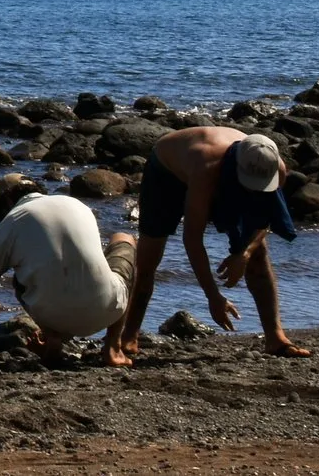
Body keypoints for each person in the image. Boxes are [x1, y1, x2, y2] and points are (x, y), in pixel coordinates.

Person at [109, 127, 308, 365]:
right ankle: (128, 336)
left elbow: (264, 221)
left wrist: (243, 254)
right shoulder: (207, 168)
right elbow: (192, 239)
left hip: (221, 173)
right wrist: (213, 297)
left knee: (258, 253)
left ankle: (276, 338)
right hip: (166, 172)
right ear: (236, 167)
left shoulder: (274, 169)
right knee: (149, 257)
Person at [0, 173, 135, 357]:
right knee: (123, 237)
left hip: (55, 317)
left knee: (20, 283)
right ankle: (113, 347)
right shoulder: (76, 204)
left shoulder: (10, 223)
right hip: (108, 311)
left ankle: (53, 338)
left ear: (7, 201)